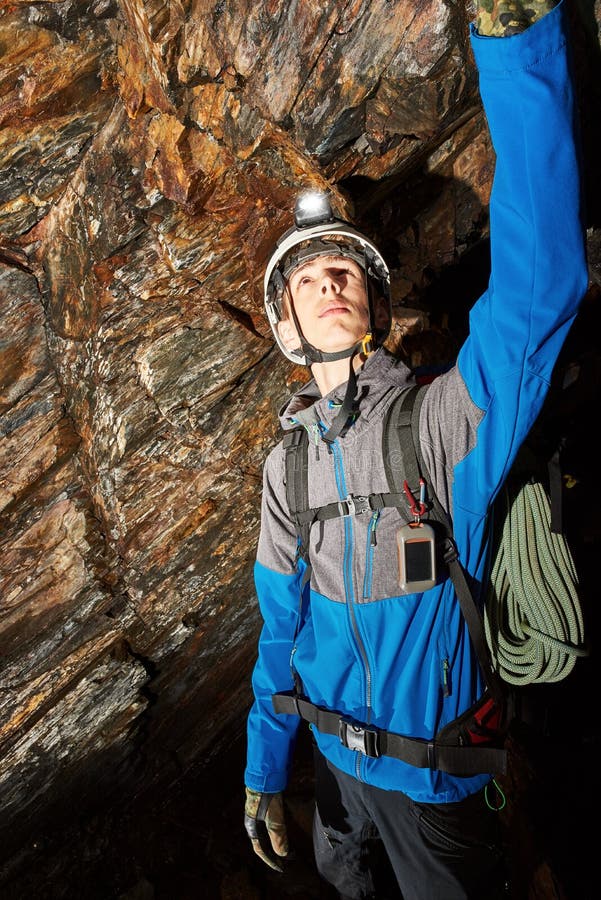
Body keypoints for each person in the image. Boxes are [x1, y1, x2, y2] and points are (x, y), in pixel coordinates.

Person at [243, 1, 588, 897]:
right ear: (284, 328)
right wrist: (264, 769)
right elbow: (280, 631)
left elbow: (538, 284)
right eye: (308, 278)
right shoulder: (288, 467)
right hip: (335, 778)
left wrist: (516, 47)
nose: (330, 282)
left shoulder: (437, 424)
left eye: (345, 271)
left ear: (374, 306)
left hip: (438, 793)